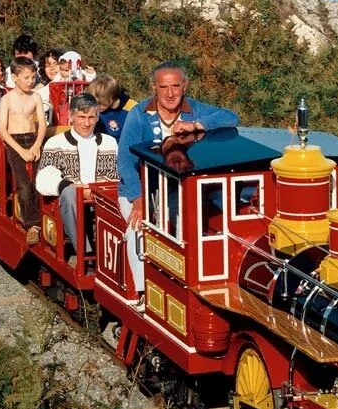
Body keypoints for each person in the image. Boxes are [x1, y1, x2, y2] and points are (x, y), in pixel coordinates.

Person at [116, 61, 238, 304]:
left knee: (187, 228)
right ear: (154, 87)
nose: (170, 94)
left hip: (178, 189)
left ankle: (188, 287)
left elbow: (230, 117)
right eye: (164, 87)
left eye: (175, 86)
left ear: (185, 85)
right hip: (141, 188)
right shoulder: (138, 115)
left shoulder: (195, 110)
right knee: (139, 228)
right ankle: (143, 294)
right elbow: (124, 162)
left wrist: (197, 126)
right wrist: (138, 200)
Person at [36, 92, 119, 259]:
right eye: (82, 117)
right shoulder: (56, 142)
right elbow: (43, 178)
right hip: (72, 201)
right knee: (69, 193)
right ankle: (85, 253)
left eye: (91, 117)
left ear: (97, 118)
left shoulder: (109, 143)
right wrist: (74, 188)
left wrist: (96, 192)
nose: (87, 123)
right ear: (72, 117)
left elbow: (116, 176)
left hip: (101, 199)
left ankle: (114, 254)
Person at [0, 57, 48, 244]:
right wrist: (19, 150)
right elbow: (2, 129)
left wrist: (36, 146)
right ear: (15, 77)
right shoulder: (6, 99)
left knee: (39, 181)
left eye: (33, 77)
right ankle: (32, 224)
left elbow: (42, 124)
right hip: (15, 141)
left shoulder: (36, 97)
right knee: (24, 184)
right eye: (26, 77)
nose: (30, 81)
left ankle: (45, 219)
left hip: (33, 139)